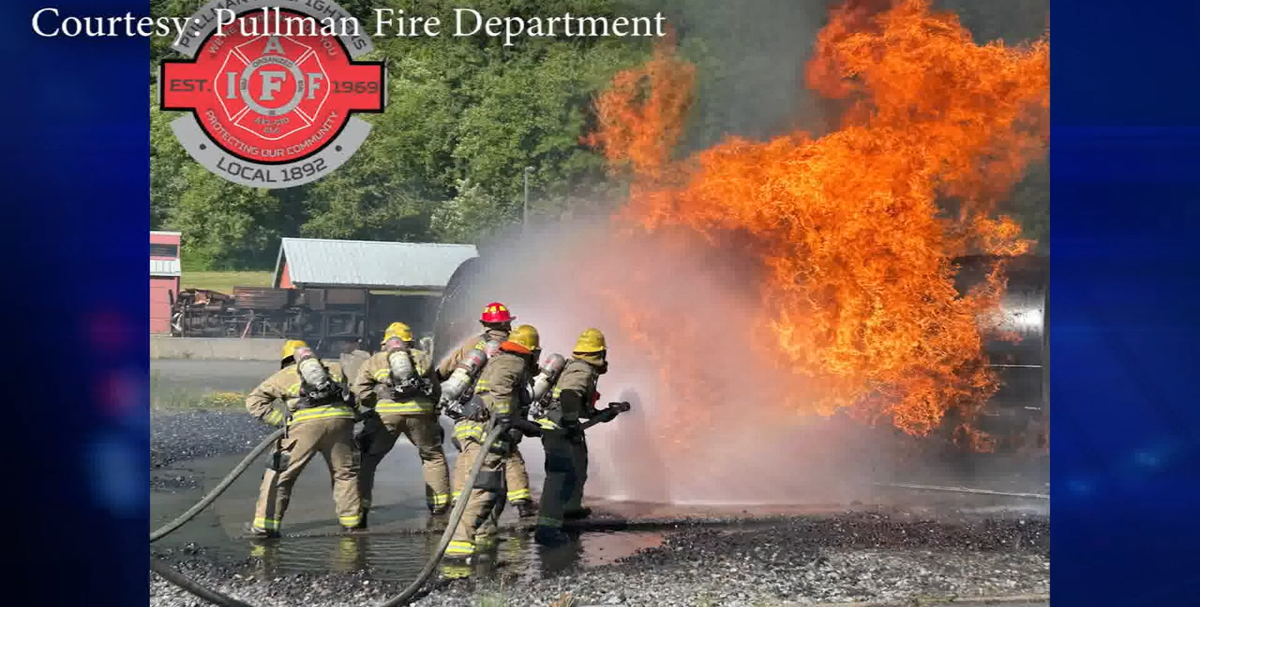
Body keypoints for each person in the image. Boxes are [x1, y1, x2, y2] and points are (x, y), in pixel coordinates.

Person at [444, 324, 543, 561]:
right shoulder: (512, 361)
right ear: (530, 349)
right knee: (484, 488)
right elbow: (500, 387)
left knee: (490, 489)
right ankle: (458, 547)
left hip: (478, 429)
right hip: (484, 432)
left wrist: (524, 425)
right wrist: (507, 416)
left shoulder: (501, 359)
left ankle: (483, 535)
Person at [244, 339, 361, 537]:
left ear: (287, 360)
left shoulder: (284, 375)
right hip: (341, 423)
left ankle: (264, 526)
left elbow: (254, 401)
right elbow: (353, 397)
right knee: (345, 473)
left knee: (280, 475)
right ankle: (351, 523)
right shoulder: (334, 369)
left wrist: (280, 421)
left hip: (305, 427)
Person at [437, 302, 537, 519]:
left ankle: (459, 502)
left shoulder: (474, 344)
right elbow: (529, 375)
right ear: (507, 323)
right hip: (502, 404)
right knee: (508, 452)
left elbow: (446, 368)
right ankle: (521, 502)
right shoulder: (515, 345)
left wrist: (437, 384)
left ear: (485, 324)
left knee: (467, 452)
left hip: (471, 406)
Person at [350, 322, 448, 523]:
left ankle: (361, 507)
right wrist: (431, 410)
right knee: (432, 456)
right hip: (420, 411)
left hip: (386, 413)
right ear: (410, 341)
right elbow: (435, 390)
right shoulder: (423, 357)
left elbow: (360, 391)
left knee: (369, 459)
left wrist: (375, 403)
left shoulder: (374, 360)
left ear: (385, 342)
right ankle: (439, 508)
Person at [533, 328, 620, 546]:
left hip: (563, 427)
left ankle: (570, 508)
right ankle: (547, 529)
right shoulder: (582, 369)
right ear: (600, 352)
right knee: (559, 477)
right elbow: (569, 395)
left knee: (578, 465)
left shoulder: (581, 368)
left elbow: (578, 405)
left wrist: (604, 414)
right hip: (558, 429)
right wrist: (572, 423)